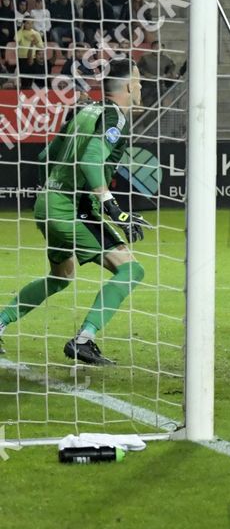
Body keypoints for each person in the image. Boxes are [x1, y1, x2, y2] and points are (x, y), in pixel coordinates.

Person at [0, 60, 148, 365]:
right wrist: (114, 209)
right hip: (71, 209)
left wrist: (54, 192)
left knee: (60, 277)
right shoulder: (114, 117)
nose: (143, 86)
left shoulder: (85, 109)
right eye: (140, 81)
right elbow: (91, 160)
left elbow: (45, 155)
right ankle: (84, 339)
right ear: (129, 87)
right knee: (132, 269)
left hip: (47, 204)